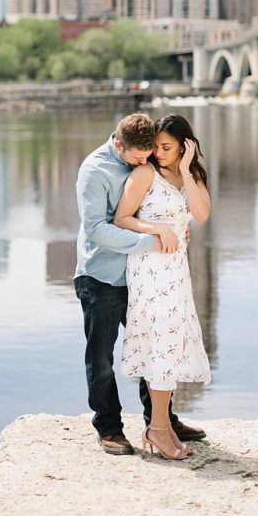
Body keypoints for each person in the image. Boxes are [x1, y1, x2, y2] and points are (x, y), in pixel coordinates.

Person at [73, 113, 207, 455]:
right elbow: (98, 230)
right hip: (102, 275)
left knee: (155, 344)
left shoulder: (147, 161)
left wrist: (175, 225)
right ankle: (109, 428)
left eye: (151, 153)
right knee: (101, 356)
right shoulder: (95, 170)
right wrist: (155, 237)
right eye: (138, 156)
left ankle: (162, 420)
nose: (145, 160)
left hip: (143, 276)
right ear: (119, 145)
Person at [114, 114, 212, 460]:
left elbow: (200, 214)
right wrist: (157, 228)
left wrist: (186, 169)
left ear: (186, 146)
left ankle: (162, 425)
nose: (159, 153)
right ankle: (157, 428)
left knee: (174, 343)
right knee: (161, 342)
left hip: (177, 270)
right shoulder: (145, 174)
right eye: (156, 146)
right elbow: (121, 219)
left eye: (167, 147)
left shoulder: (190, 174)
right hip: (150, 268)